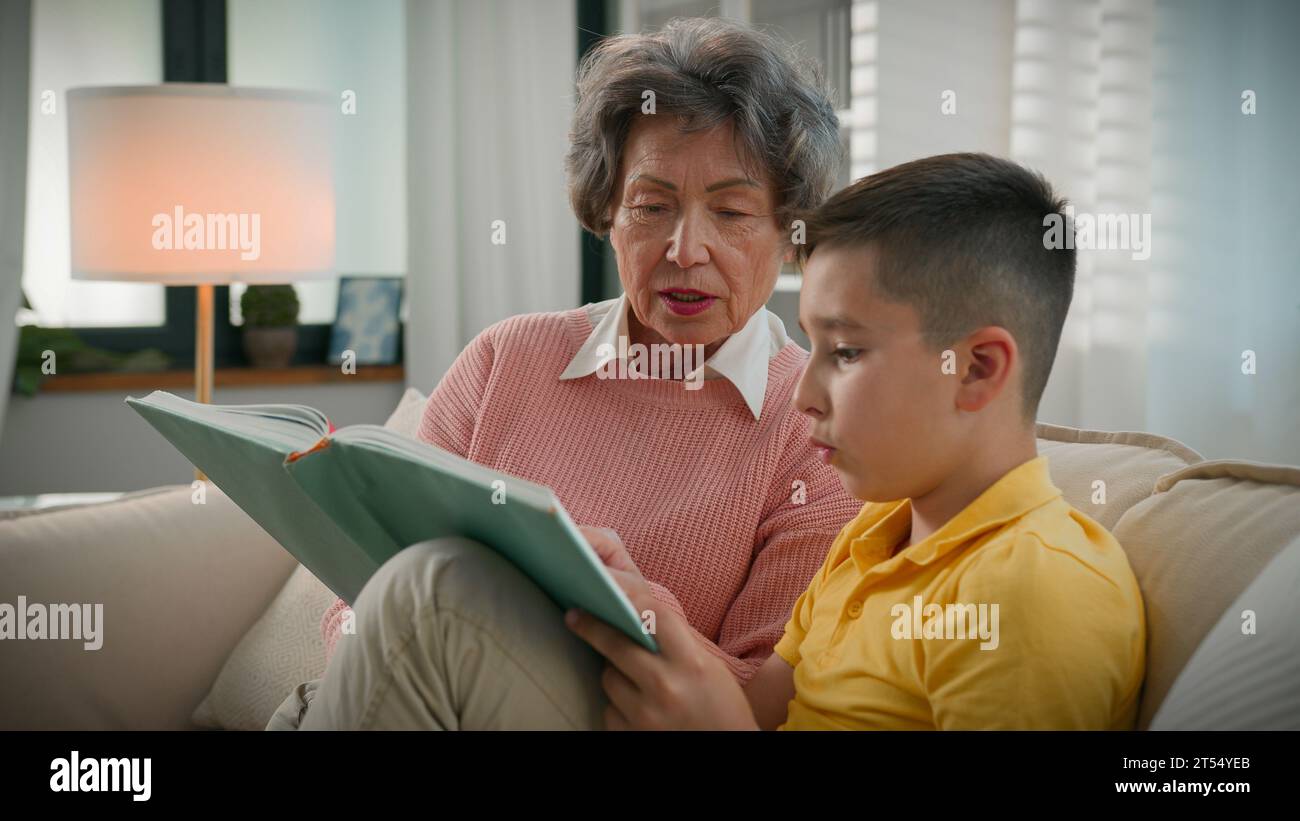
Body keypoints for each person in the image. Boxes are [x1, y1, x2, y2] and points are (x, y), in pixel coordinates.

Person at [267, 17, 860, 730]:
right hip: (387, 701)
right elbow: (362, 599)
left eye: (732, 211)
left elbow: (759, 702)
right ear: (608, 210)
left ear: (789, 233)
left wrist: (624, 603)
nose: (685, 248)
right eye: (651, 206)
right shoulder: (505, 359)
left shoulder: (814, 428)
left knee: (435, 585)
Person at [565, 153, 1147, 730]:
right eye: (811, 345)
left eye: (845, 352)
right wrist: (638, 603)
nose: (802, 395)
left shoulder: (1028, 596)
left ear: (976, 370)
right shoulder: (872, 533)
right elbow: (755, 716)